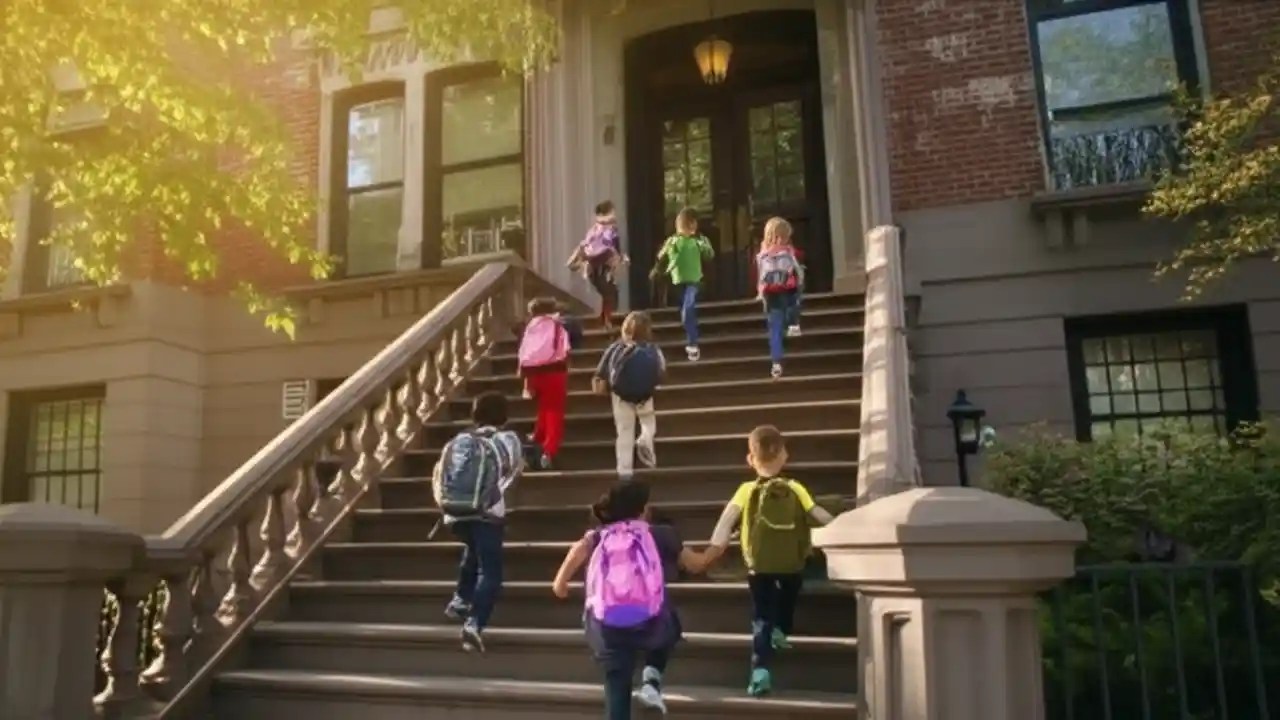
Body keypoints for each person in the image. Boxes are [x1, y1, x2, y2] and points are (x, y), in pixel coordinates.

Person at [690, 425, 834, 697]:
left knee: (761, 617)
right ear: (784, 455)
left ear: (750, 459)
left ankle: (760, 670)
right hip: (792, 562)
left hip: (759, 566)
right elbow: (819, 514)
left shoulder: (746, 490)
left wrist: (712, 551)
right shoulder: (795, 487)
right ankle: (782, 629)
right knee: (790, 593)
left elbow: (726, 522)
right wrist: (842, 527)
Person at [552, 479, 699, 719]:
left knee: (616, 681)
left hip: (606, 626)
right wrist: (718, 548)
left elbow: (577, 550)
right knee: (670, 617)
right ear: (643, 510)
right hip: (650, 625)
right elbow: (695, 565)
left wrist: (560, 583)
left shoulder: (598, 536)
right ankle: (651, 677)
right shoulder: (661, 534)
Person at [434, 391, 525, 653]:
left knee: (472, 549)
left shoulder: (460, 440)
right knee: (491, 572)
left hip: (456, 513)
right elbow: (511, 470)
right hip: (488, 512)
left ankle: (460, 599)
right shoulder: (506, 439)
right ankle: (475, 623)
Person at [594, 311, 666, 477]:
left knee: (624, 432)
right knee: (648, 423)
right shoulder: (652, 348)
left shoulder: (616, 347)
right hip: (645, 395)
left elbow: (601, 370)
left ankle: (624, 470)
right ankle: (645, 441)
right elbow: (661, 371)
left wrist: (600, 384)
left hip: (620, 396)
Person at [650, 208, 713, 362]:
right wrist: (658, 269)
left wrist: (704, 244)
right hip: (677, 281)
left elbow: (709, 255)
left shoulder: (698, 241)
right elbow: (661, 257)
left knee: (688, 308)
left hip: (694, 280)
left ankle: (692, 343)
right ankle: (690, 338)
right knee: (685, 310)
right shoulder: (672, 241)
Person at [517, 297, 571, 468]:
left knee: (544, 407)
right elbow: (565, 349)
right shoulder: (557, 326)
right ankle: (549, 449)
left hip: (533, 373)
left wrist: (525, 378)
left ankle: (538, 435)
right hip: (555, 371)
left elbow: (523, 352)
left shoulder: (530, 328)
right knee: (554, 410)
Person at [755, 218, 804, 380]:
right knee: (791, 308)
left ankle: (776, 362)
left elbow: (761, 277)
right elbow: (798, 271)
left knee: (775, 328)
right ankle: (793, 324)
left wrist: (761, 293)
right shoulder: (788, 252)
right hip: (786, 291)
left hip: (771, 295)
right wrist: (800, 281)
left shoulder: (762, 255)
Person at [568, 200, 628, 331]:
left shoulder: (594, 230)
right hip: (599, 268)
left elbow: (585, 247)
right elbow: (612, 247)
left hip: (595, 268)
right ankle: (606, 322)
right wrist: (619, 258)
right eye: (612, 212)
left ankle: (604, 320)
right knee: (610, 294)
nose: (614, 216)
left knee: (609, 293)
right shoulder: (608, 230)